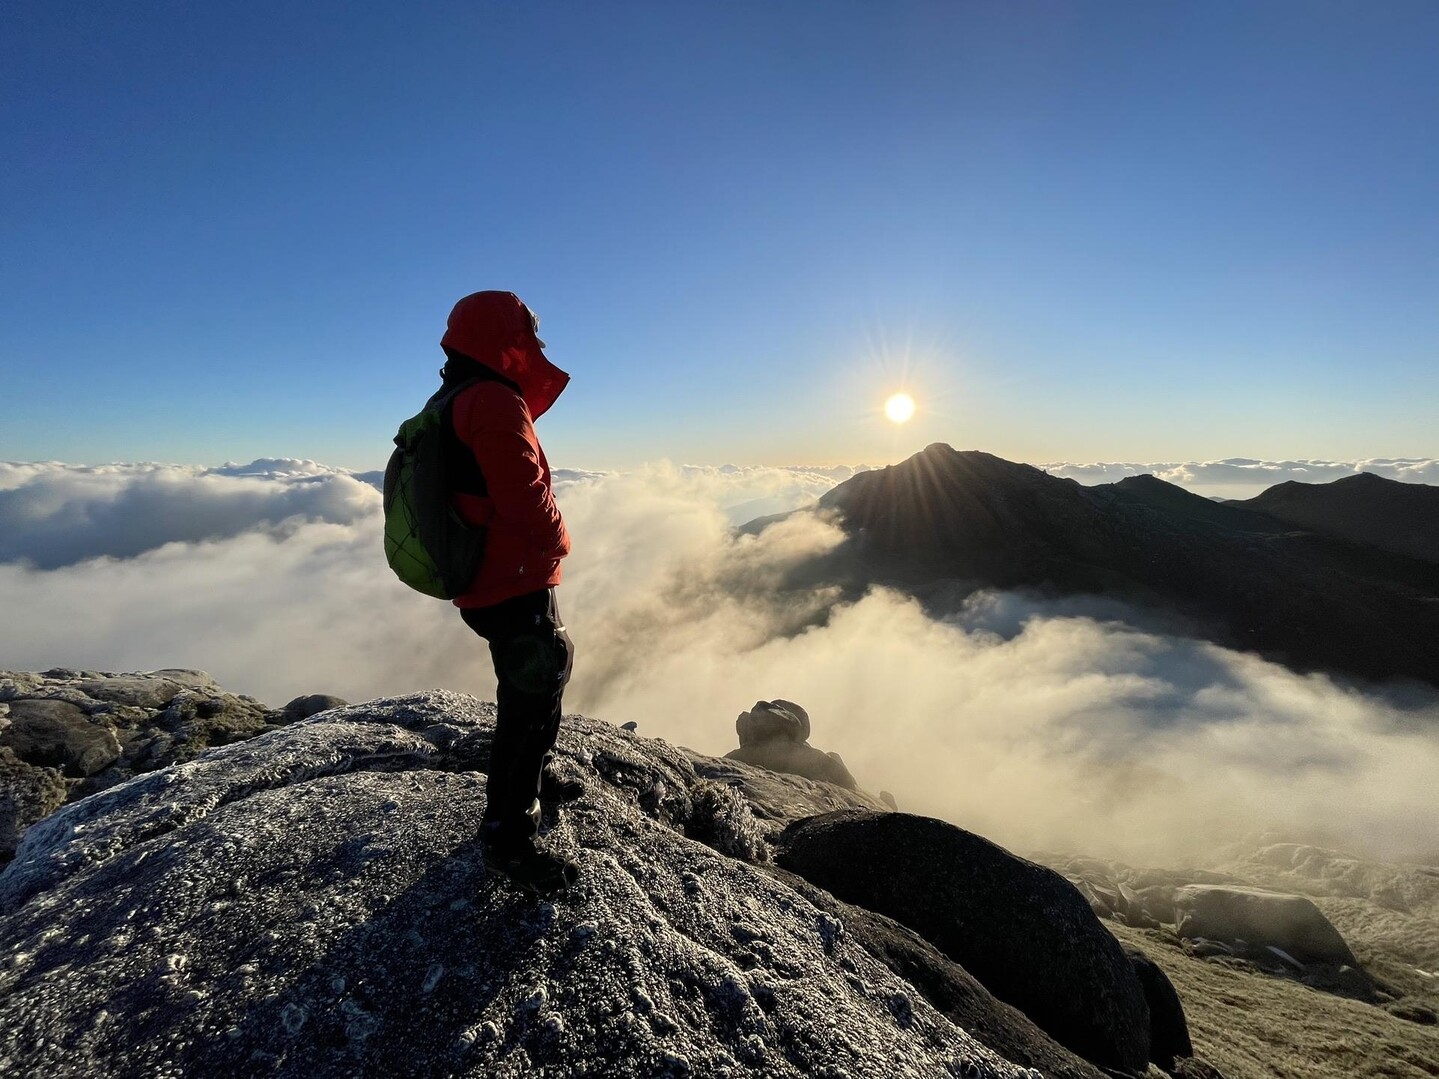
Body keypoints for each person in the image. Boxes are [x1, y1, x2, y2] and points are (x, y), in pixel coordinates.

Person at [439, 290, 580, 896]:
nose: (539, 345)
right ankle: (507, 834)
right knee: (531, 690)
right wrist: (561, 542)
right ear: (501, 337)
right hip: (511, 579)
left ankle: (537, 777)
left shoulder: (458, 396)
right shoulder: (495, 401)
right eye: (530, 332)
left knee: (544, 673)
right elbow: (525, 499)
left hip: (489, 579)